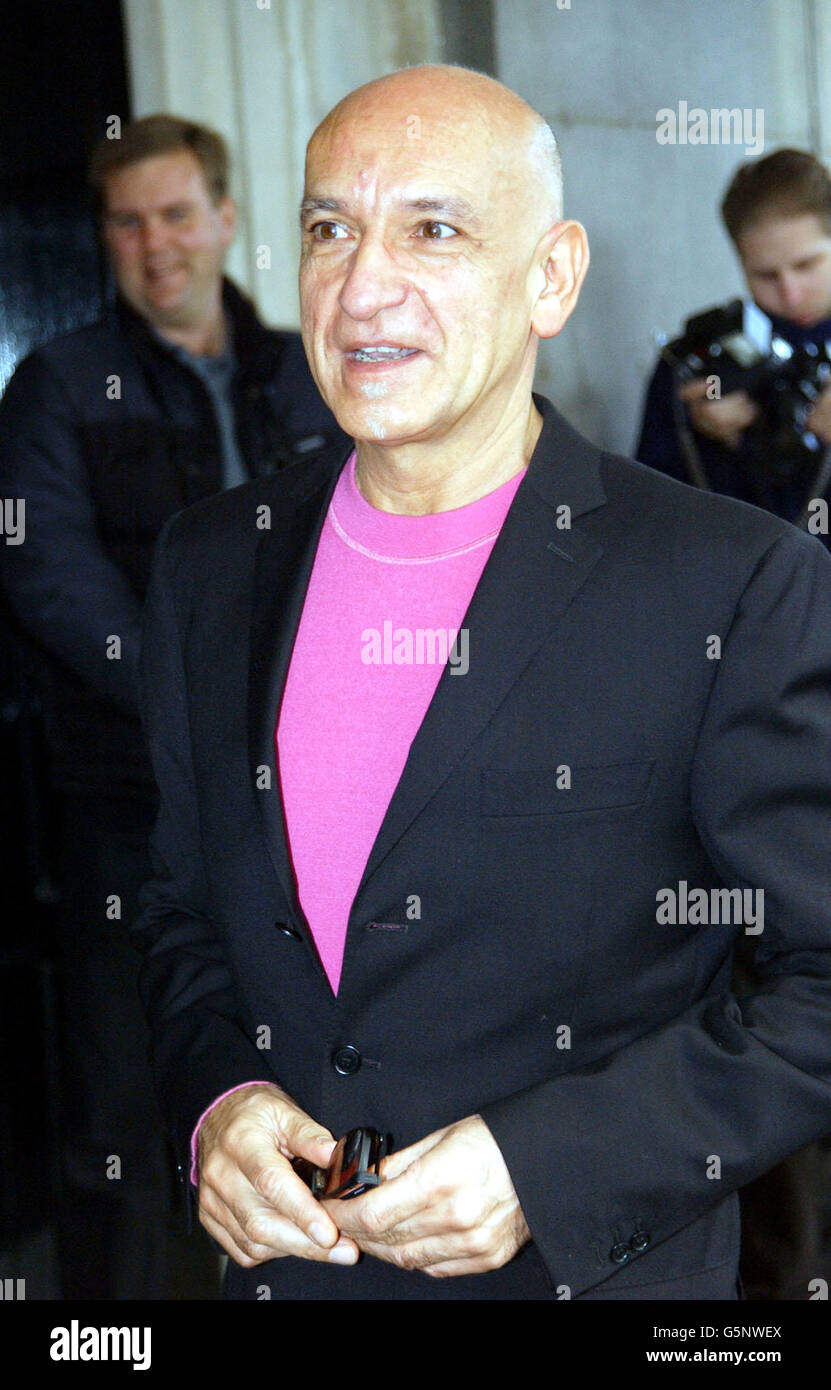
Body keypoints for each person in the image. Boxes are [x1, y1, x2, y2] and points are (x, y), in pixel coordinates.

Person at [134, 66, 831, 1300]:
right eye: (330, 228)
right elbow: (182, 914)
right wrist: (218, 1102)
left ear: (551, 277)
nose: (362, 289)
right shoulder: (209, 564)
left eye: (435, 230)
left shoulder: (729, 584)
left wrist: (548, 1165)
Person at [0, 114, 345, 1299]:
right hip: (130, 799)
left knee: (304, 1074)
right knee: (127, 1092)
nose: (156, 244)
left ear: (226, 219)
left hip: (314, 797)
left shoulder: (309, 362)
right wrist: (192, 700)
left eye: (178, 214)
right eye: (128, 221)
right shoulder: (60, 382)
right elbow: (47, 571)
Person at [636, 149, 831, 550]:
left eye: (806, 265)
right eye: (765, 275)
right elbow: (651, 520)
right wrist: (706, 443)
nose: (790, 292)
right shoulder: (699, 363)